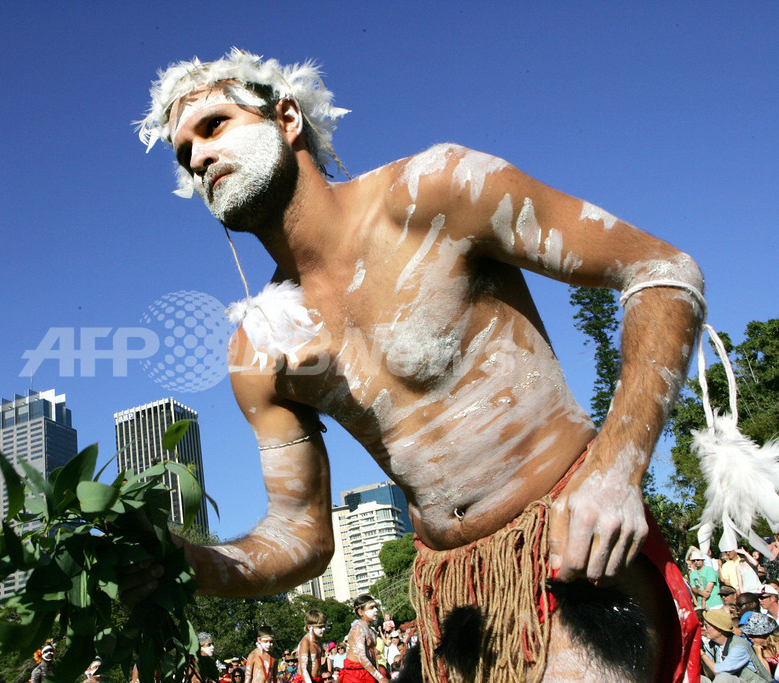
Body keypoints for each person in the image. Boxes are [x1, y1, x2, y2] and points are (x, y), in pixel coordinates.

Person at [131, 49, 703, 682]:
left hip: (576, 549)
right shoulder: (259, 351)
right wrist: (187, 564)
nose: (199, 158)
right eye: (185, 154)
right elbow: (302, 534)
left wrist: (614, 471)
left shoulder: (435, 192)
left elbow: (662, 274)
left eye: (213, 126)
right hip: (452, 601)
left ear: (286, 117)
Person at [701, 608, 770, 682]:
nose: (703, 629)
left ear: (719, 629)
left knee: (723, 678)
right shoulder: (712, 645)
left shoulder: (739, 647)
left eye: (706, 626)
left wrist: (702, 654)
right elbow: (709, 675)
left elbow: (719, 672)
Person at [341, 595, 388, 683]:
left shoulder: (372, 631)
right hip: (356, 675)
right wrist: (380, 678)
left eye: (376, 607)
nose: (376, 610)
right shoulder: (358, 628)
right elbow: (362, 657)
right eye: (371, 608)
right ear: (361, 612)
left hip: (368, 672)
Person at [294, 610, 327, 683]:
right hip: (305, 680)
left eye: (324, 626)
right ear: (309, 627)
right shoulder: (305, 642)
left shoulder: (318, 641)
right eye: (320, 627)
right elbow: (303, 668)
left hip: (317, 679)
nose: (323, 629)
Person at [743, 613, 778, 679]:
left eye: (752, 635)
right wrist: (759, 655)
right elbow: (767, 676)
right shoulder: (756, 649)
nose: (750, 638)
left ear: (762, 634)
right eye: (748, 636)